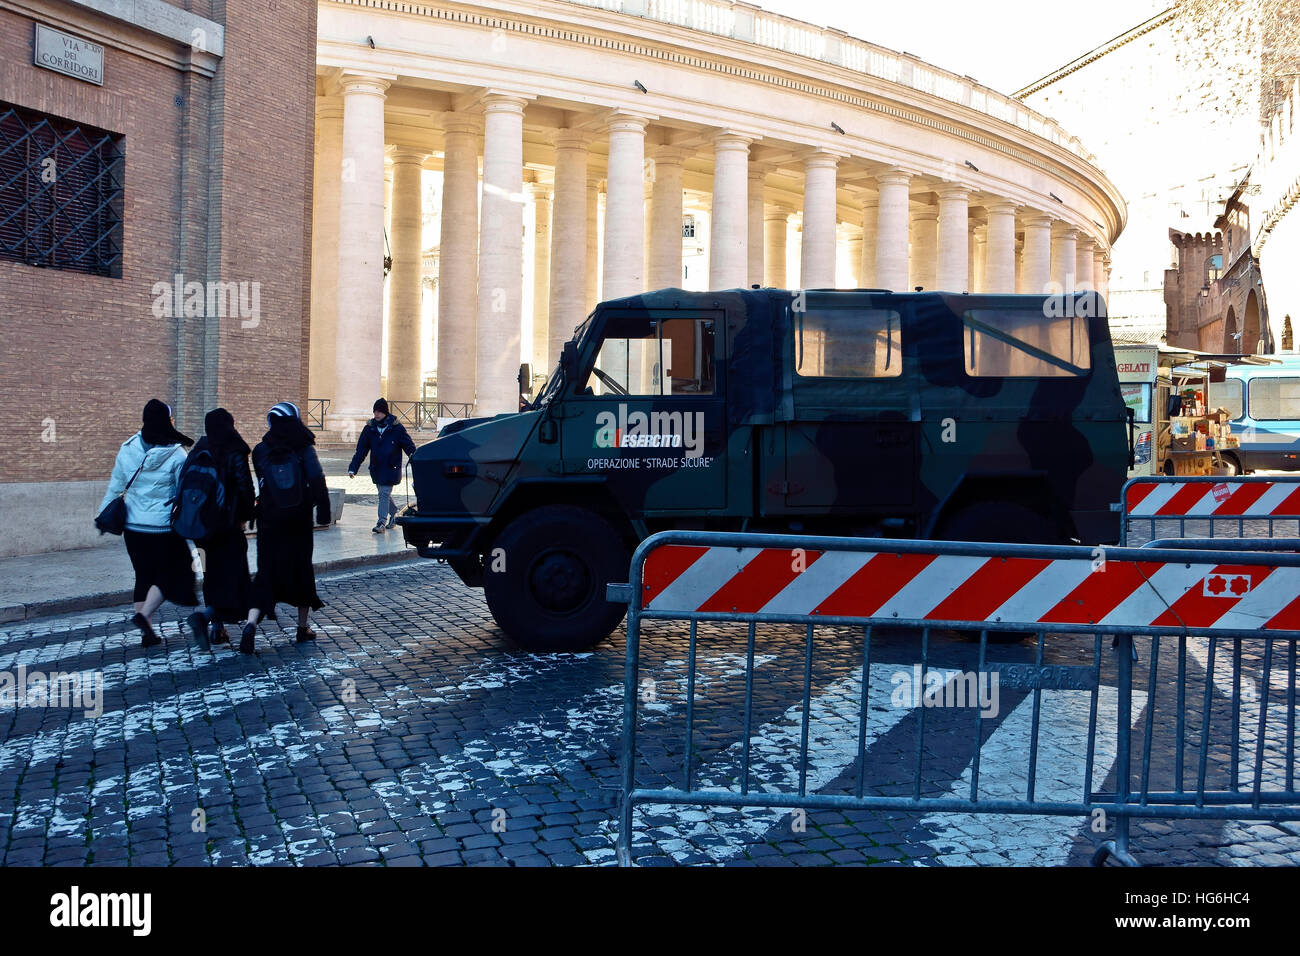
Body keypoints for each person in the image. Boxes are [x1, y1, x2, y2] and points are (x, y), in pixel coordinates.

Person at [98, 399, 198, 647]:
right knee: (177, 571)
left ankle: (148, 633)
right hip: (162, 528)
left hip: (133, 527)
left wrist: (103, 515)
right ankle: (143, 616)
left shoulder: (127, 448)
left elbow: (116, 485)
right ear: (167, 421)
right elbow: (182, 491)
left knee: (142, 575)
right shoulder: (176, 453)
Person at [239, 401, 331, 654]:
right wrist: (323, 511)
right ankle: (303, 628)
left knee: (266, 573)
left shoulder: (260, 450)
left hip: (269, 519)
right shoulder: (304, 447)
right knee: (301, 569)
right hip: (299, 519)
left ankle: (250, 624)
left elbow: (261, 483)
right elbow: (316, 479)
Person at [184, 408, 256, 651]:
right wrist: (246, 516)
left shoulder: (197, 450)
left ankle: (217, 628)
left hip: (200, 530)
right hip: (227, 525)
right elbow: (245, 486)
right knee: (236, 578)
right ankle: (205, 617)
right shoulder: (234, 449)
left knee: (211, 576)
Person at [347, 398, 416, 533]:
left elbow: (409, 447)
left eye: (379, 411)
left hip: (391, 468)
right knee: (383, 493)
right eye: (375, 411)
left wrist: (417, 461)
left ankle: (381, 523)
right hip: (376, 468)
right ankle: (394, 513)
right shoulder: (369, 428)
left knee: (383, 494)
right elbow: (361, 450)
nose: (376, 414)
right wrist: (353, 468)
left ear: (385, 412)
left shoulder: (397, 428)